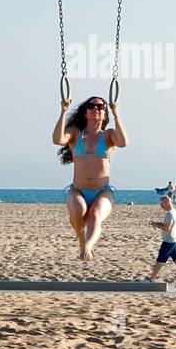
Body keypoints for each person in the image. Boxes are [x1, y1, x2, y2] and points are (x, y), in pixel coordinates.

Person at [54, 95, 128, 261]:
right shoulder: (75, 134)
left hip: (103, 192)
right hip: (78, 190)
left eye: (101, 107)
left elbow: (123, 142)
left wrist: (116, 114)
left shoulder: (108, 136)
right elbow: (57, 139)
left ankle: (88, 246)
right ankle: (82, 244)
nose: (96, 108)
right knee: (78, 210)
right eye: (92, 106)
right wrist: (63, 112)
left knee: (95, 214)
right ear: (85, 112)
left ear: (104, 115)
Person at [146, 194, 176, 283]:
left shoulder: (170, 214)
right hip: (174, 240)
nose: (161, 206)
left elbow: (167, 228)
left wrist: (156, 224)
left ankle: (151, 279)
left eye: (162, 204)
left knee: (160, 261)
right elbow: (167, 226)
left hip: (169, 241)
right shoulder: (174, 212)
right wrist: (157, 223)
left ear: (167, 202)